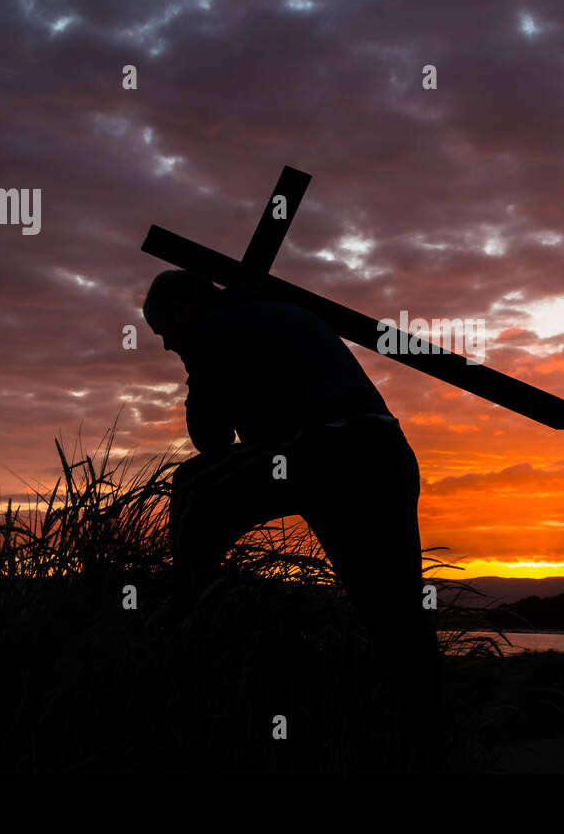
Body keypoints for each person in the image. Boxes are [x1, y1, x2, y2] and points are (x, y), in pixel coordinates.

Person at [142, 269, 441, 764]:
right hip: (386, 454)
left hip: (323, 451)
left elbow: (212, 440)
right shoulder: (283, 314)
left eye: (165, 332)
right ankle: (425, 745)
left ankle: (187, 634)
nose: (167, 345)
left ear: (185, 310)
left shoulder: (216, 328)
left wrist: (198, 361)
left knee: (193, 487)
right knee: (396, 615)